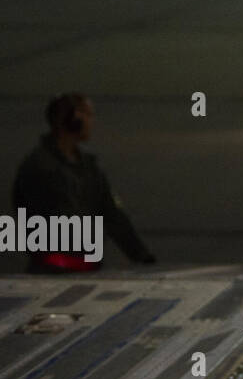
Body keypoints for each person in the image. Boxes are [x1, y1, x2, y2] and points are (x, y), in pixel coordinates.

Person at [12, 94, 156, 273]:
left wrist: (142, 256)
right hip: (53, 271)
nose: (91, 121)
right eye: (87, 114)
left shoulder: (88, 167)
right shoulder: (41, 167)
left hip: (82, 269)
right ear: (73, 118)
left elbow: (112, 214)